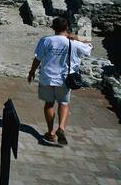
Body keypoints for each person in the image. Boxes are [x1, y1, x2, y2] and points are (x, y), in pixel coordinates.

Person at [28, 16, 92, 145]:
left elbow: (38, 58)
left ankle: (51, 133)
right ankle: (61, 128)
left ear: (53, 28)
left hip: (47, 77)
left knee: (49, 104)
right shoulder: (73, 42)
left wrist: (32, 71)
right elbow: (90, 48)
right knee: (63, 103)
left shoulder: (46, 40)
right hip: (64, 79)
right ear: (67, 28)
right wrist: (77, 37)